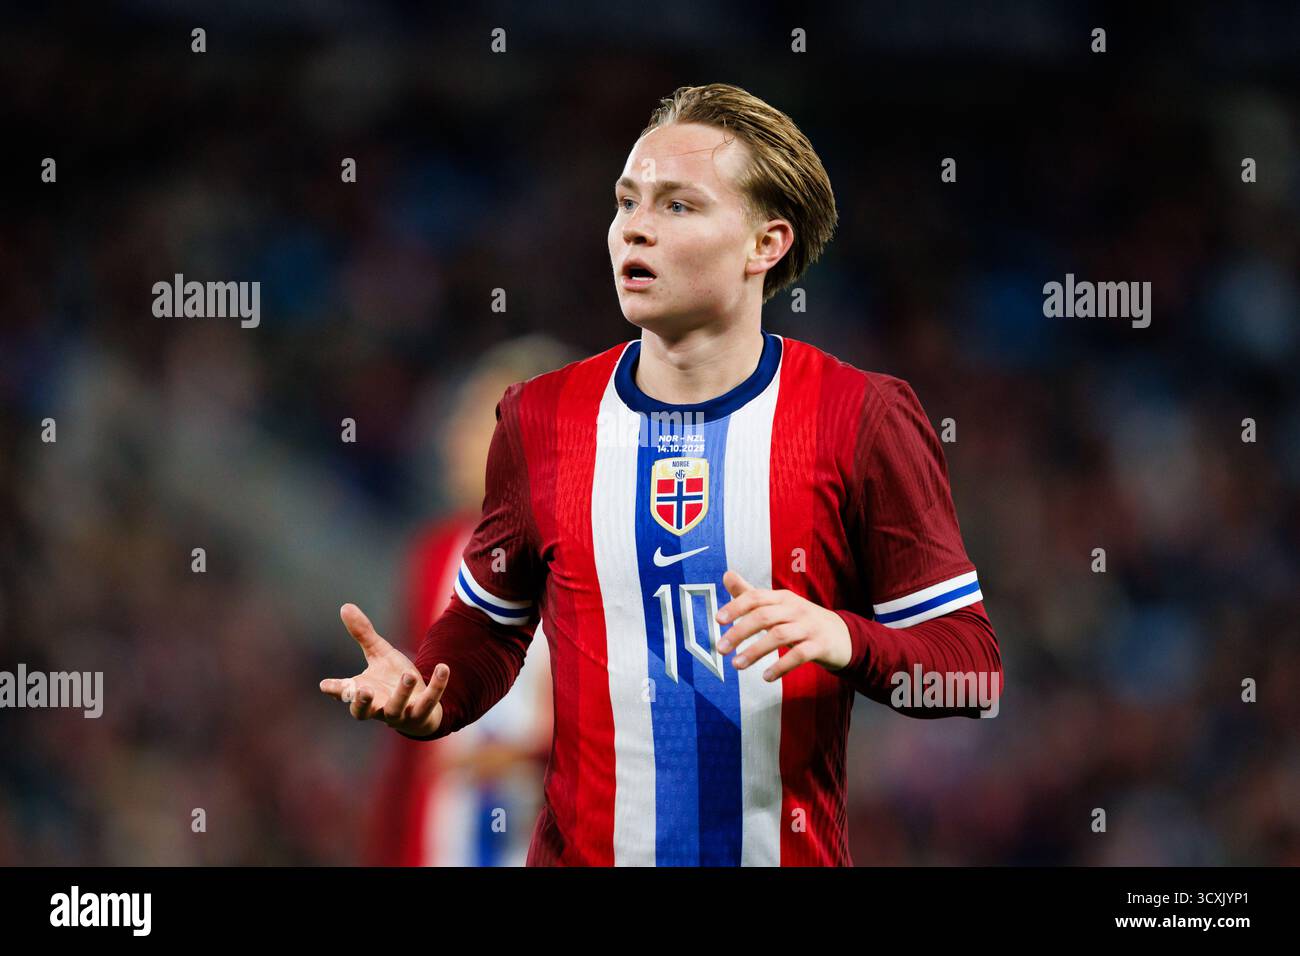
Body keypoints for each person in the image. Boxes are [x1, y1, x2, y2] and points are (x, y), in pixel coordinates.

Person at [321, 82, 1002, 866]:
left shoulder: (861, 417)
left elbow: (970, 673)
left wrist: (844, 638)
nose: (635, 228)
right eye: (626, 201)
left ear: (765, 245)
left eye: (678, 206)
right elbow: (488, 630)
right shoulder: (541, 420)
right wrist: (427, 695)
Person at [365, 337, 572, 866]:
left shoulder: (588, 558)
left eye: (476, 418)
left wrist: (525, 756)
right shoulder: (432, 559)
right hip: (442, 844)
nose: (451, 437)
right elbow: (408, 753)